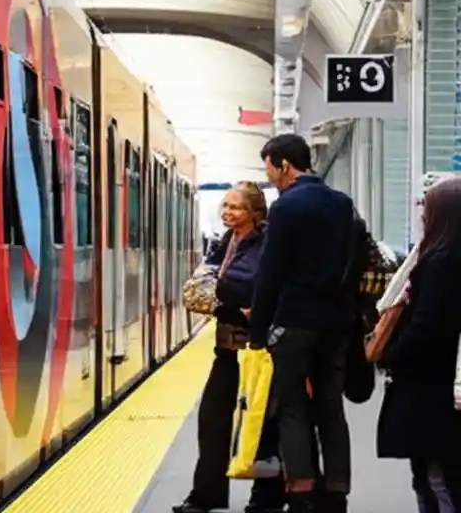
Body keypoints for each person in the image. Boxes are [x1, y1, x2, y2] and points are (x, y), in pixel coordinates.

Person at [250, 134, 356, 513]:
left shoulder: (286, 207)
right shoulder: (342, 204)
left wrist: (259, 331)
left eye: (270, 168)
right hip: (336, 322)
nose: (271, 177)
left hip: (294, 321)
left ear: (283, 165)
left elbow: (270, 273)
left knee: (292, 407)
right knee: (330, 406)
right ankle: (337, 489)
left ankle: (302, 491)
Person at [174, 182, 287, 513]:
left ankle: (266, 496)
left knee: (262, 424)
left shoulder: (265, 243)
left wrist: (224, 295)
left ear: (254, 211)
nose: (227, 212)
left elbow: (252, 286)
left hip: (258, 349)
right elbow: (205, 285)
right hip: (226, 347)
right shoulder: (224, 243)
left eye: (235, 207)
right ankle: (205, 494)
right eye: (224, 206)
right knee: (212, 421)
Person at [376, 177, 461, 510]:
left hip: (431, 387)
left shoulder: (442, 261)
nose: (421, 214)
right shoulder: (444, 256)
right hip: (436, 383)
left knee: (437, 477)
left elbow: (429, 324)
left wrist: (394, 354)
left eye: (427, 206)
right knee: (435, 475)